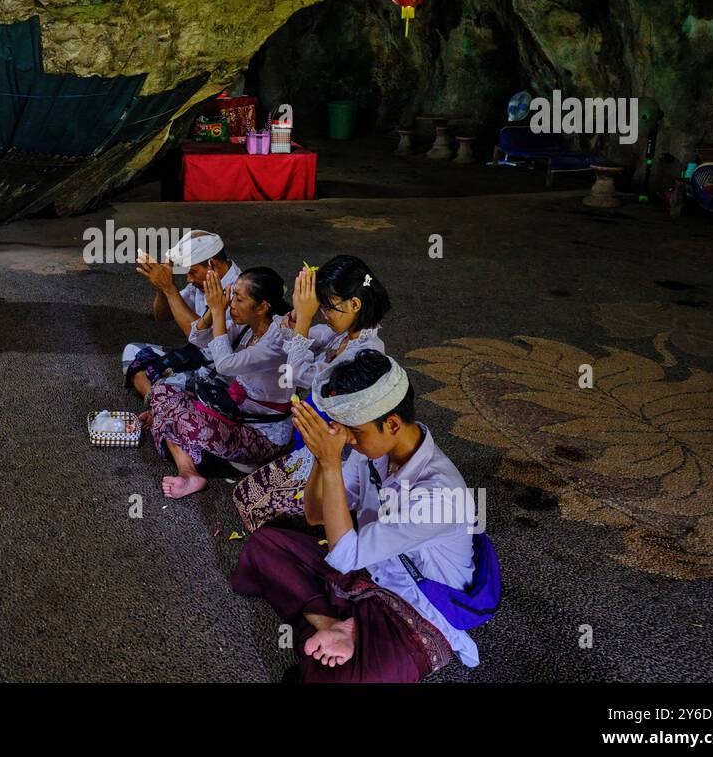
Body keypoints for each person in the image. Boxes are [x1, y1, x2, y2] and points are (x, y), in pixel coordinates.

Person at [231, 350, 480, 682]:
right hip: (366, 568)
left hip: (414, 610)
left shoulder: (438, 494)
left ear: (391, 424)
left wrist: (332, 463)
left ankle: (325, 622)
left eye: (354, 432)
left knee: (343, 679)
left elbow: (346, 555)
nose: (347, 439)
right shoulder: (374, 452)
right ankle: (329, 624)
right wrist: (323, 460)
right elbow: (316, 513)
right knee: (267, 542)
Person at [232, 256, 391, 533]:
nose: (323, 314)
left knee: (264, 515)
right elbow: (293, 337)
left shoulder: (365, 351)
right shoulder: (343, 334)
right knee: (246, 494)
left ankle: (341, 522)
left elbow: (297, 373)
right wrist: (297, 314)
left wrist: (304, 319)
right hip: (318, 445)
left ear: (355, 304)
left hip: (342, 457)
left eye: (328, 307)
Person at [146, 267, 293, 499]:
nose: (232, 303)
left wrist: (217, 311)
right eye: (232, 295)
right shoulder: (248, 324)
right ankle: (189, 472)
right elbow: (198, 338)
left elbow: (225, 364)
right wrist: (214, 311)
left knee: (176, 418)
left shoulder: (277, 341)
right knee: (163, 391)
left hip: (263, 438)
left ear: (262, 307)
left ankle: (186, 458)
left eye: (239, 298)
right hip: (235, 416)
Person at [123, 231, 240, 397]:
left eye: (192, 272)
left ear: (212, 265)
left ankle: (161, 397)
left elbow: (199, 338)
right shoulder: (202, 282)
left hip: (220, 372)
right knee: (132, 350)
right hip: (195, 358)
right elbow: (162, 316)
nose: (189, 279)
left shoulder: (240, 292)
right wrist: (162, 288)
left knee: (166, 379)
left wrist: (169, 289)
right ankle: (156, 397)